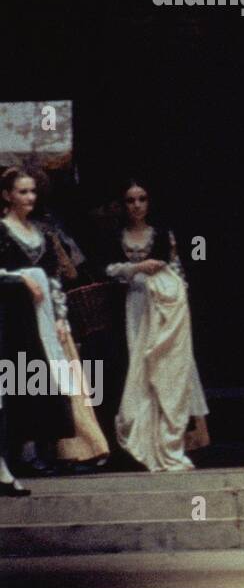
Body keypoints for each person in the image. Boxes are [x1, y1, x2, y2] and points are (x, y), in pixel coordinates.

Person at [0, 167, 109, 472]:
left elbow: (55, 280)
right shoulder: (2, 231)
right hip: (14, 319)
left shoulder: (42, 233)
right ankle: (22, 452)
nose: (29, 197)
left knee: (50, 379)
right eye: (22, 191)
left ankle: (48, 449)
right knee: (20, 377)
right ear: (8, 195)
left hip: (44, 317)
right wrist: (19, 279)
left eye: (32, 191)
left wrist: (61, 318)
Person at [104, 180, 210, 472]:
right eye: (130, 200)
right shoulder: (117, 236)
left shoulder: (162, 234)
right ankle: (140, 441)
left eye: (142, 199)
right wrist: (136, 267)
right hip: (133, 304)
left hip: (163, 305)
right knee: (138, 366)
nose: (136, 205)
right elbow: (109, 269)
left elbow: (177, 270)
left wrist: (174, 298)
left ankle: (172, 440)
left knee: (168, 365)